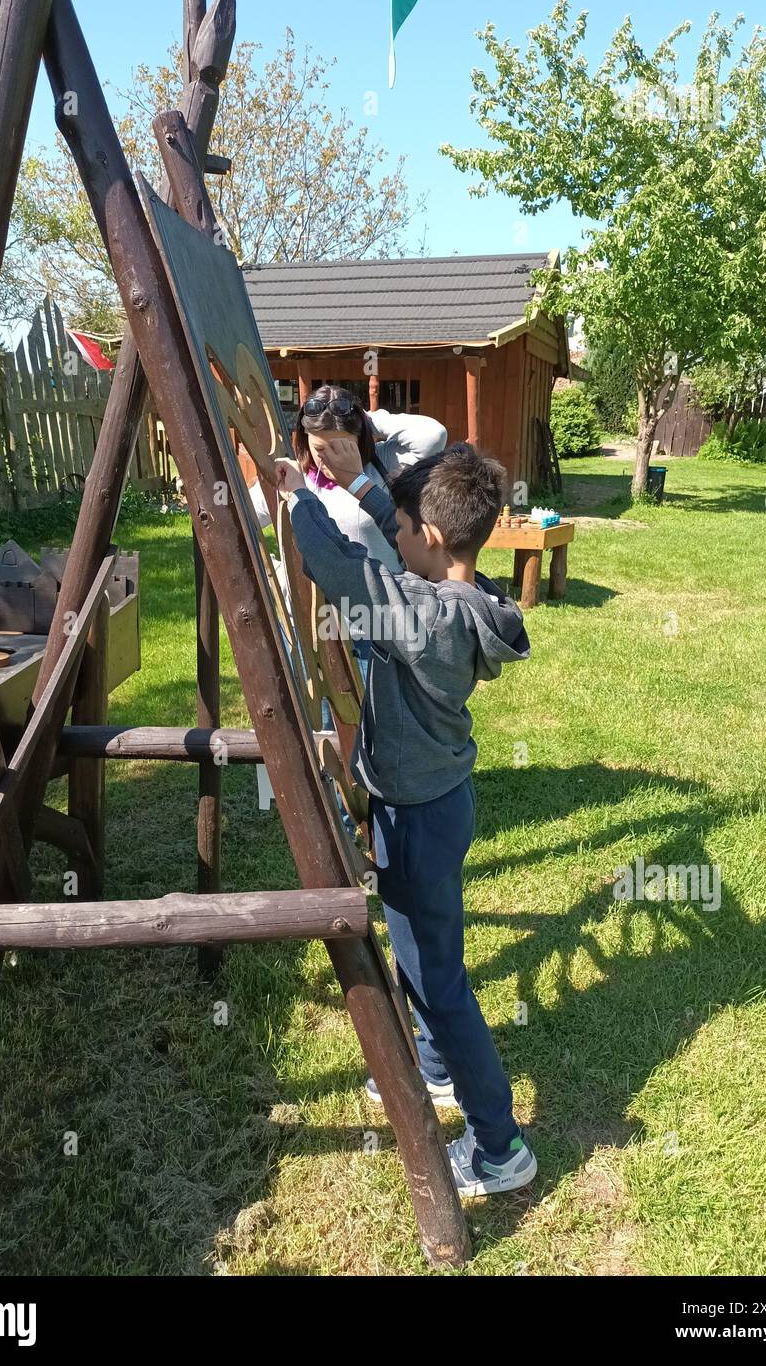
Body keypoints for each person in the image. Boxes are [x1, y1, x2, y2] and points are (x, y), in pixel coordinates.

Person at [275, 439, 538, 1197]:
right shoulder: (459, 596)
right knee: (424, 952)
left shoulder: (421, 619)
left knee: (440, 984)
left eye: (399, 528)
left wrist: (297, 498)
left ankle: (499, 1146)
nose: (390, 535)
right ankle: (433, 1069)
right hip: (438, 800)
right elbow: (389, 550)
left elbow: (346, 571)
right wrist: (344, 491)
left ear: (428, 539)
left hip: (417, 818)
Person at [250, 385, 447, 687]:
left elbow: (433, 434)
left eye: (340, 447)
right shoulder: (295, 479)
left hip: (375, 631)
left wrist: (366, 417)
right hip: (312, 634)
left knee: (377, 727)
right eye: (320, 449)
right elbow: (244, 517)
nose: (329, 459)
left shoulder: (385, 466)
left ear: (361, 438)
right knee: (321, 731)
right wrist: (275, 570)